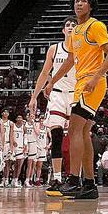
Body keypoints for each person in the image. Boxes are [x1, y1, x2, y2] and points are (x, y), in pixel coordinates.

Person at [44, 0, 108, 200]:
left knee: (74, 128)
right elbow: (69, 62)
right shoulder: (75, 32)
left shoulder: (96, 26)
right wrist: (52, 80)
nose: (79, 3)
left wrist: (95, 78)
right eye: (76, 0)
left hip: (92, 83)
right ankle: (89, 184)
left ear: (91, 6)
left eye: (83, 1)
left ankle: (74, 179)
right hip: (80, 83)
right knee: (83, 133)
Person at [29, 18, 76, 196]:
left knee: (74, 139)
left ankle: (73, 177)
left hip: (74, 94)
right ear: (63, 30)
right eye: (68, 26)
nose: (70, 27)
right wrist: (34, 97)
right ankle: (56, 178)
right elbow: (44, 73)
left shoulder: (81, 49)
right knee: (56, 136)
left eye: (73, 26)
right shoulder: (54, 49)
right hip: (56, 93)